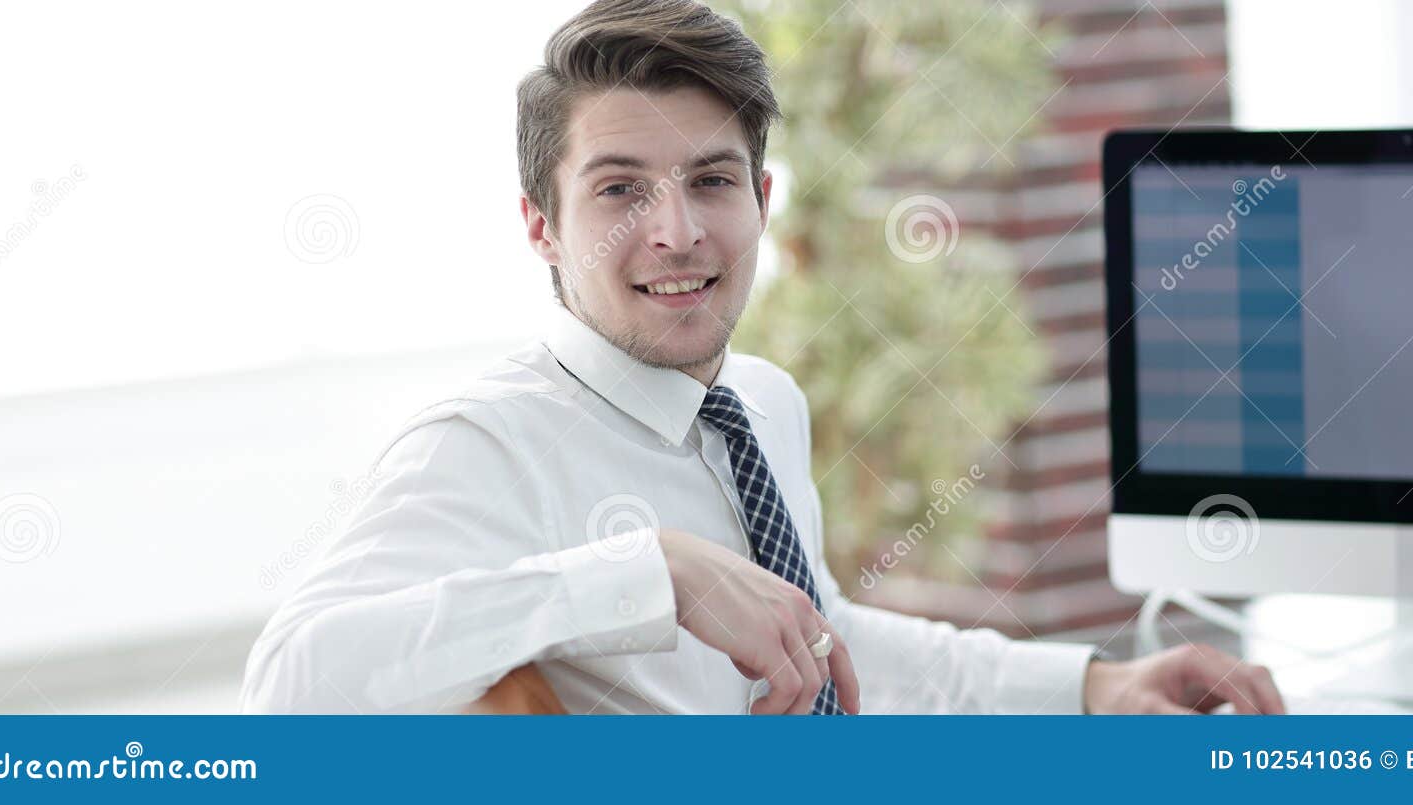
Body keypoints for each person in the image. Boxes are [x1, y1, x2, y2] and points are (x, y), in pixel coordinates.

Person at [239, 0, 1285, 716]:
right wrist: (644, 571)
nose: (677, 232)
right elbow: (287, 688)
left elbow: (820, 641)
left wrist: (1096, 685)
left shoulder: (759, 403)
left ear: (762, 202)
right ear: (539, 228)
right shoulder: (488, 443)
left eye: (710, 180)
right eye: (618, 190)